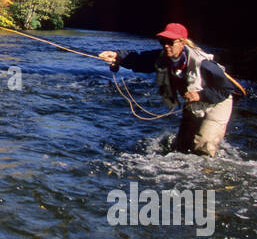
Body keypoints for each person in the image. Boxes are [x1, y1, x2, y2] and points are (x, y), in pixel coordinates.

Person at [98, 23, 244, 157]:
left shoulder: (204, 64)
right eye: (163, 42)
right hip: (194, 101)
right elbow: (141, 59)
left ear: (182, 43)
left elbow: (226, 89)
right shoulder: (165, 57)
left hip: (218, 102)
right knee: (181, 147)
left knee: (203, 148)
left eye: (170, 42)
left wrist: (200, 95)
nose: (166, 46)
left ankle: (206, 174)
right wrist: (117, 56)